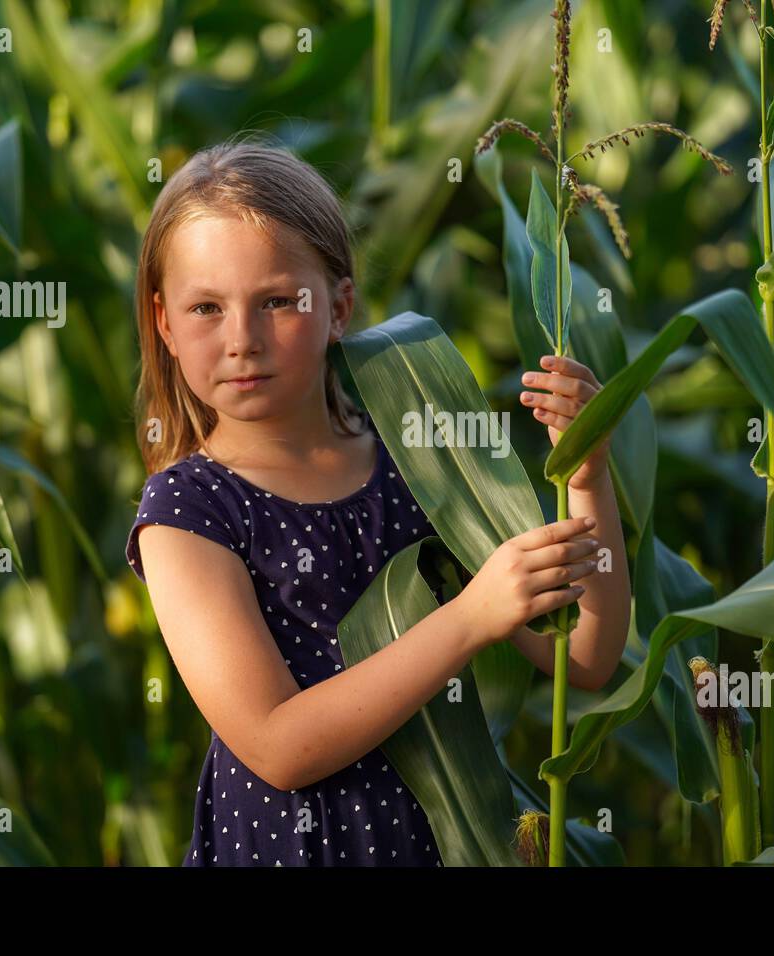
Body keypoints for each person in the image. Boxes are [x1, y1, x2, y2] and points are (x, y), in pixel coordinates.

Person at [124, 136, 630, 865]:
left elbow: (586, 654)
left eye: (276, 301)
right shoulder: (187, 510)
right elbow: (276, 745)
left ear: (339, 307)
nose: (242, 340)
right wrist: (472, 617)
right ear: (165, 323)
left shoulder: (420, 461)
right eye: (206, 307)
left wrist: (587, 477)